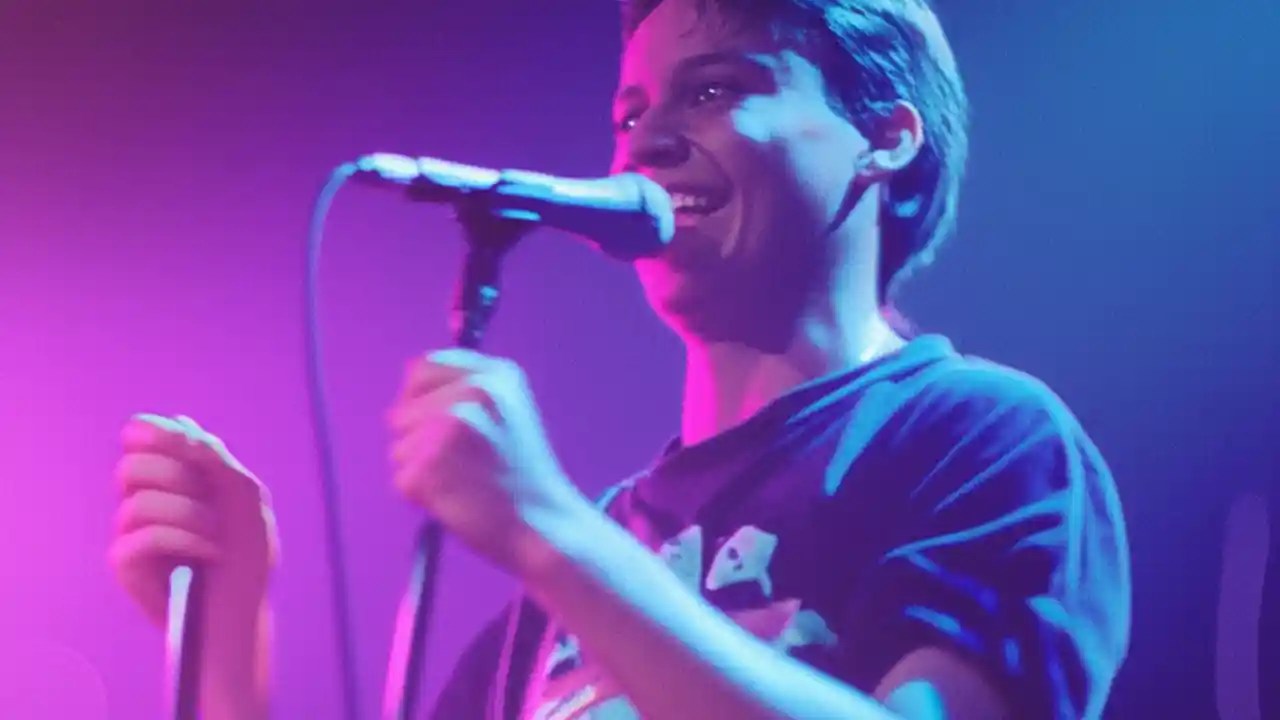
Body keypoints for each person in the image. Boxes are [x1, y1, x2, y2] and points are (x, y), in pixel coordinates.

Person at [109, 0, 1132, 718]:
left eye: (714, 89)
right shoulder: (589, 548)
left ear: (885, 136)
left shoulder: (983, 438)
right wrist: (225, 644)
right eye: (630, 113)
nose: (646, 143)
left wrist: (548, 533)